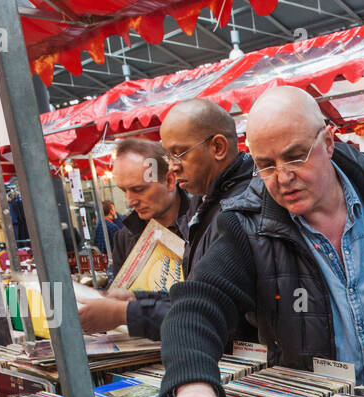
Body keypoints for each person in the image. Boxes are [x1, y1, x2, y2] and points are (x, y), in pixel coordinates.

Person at [159, 87, 364, 397]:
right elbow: (199, 300)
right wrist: (193, 381)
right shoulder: (247, 225)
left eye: (295, 157)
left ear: (329, 142)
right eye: (266, 165)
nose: (283, 177)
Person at [81, 102, 256, 338]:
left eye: (179, 153)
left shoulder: (231, 211)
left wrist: (126, 312)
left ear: (218, 147)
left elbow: (206, 308)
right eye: (124, 191)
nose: (173, 165)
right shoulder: (208, 208)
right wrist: (137, 299)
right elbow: (196, 295)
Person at [106, 138, 193, 277]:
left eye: (139, 189)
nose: (130, 202)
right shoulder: (124, 238)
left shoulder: (205, 225)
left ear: (170, 181)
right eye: (124, 190)